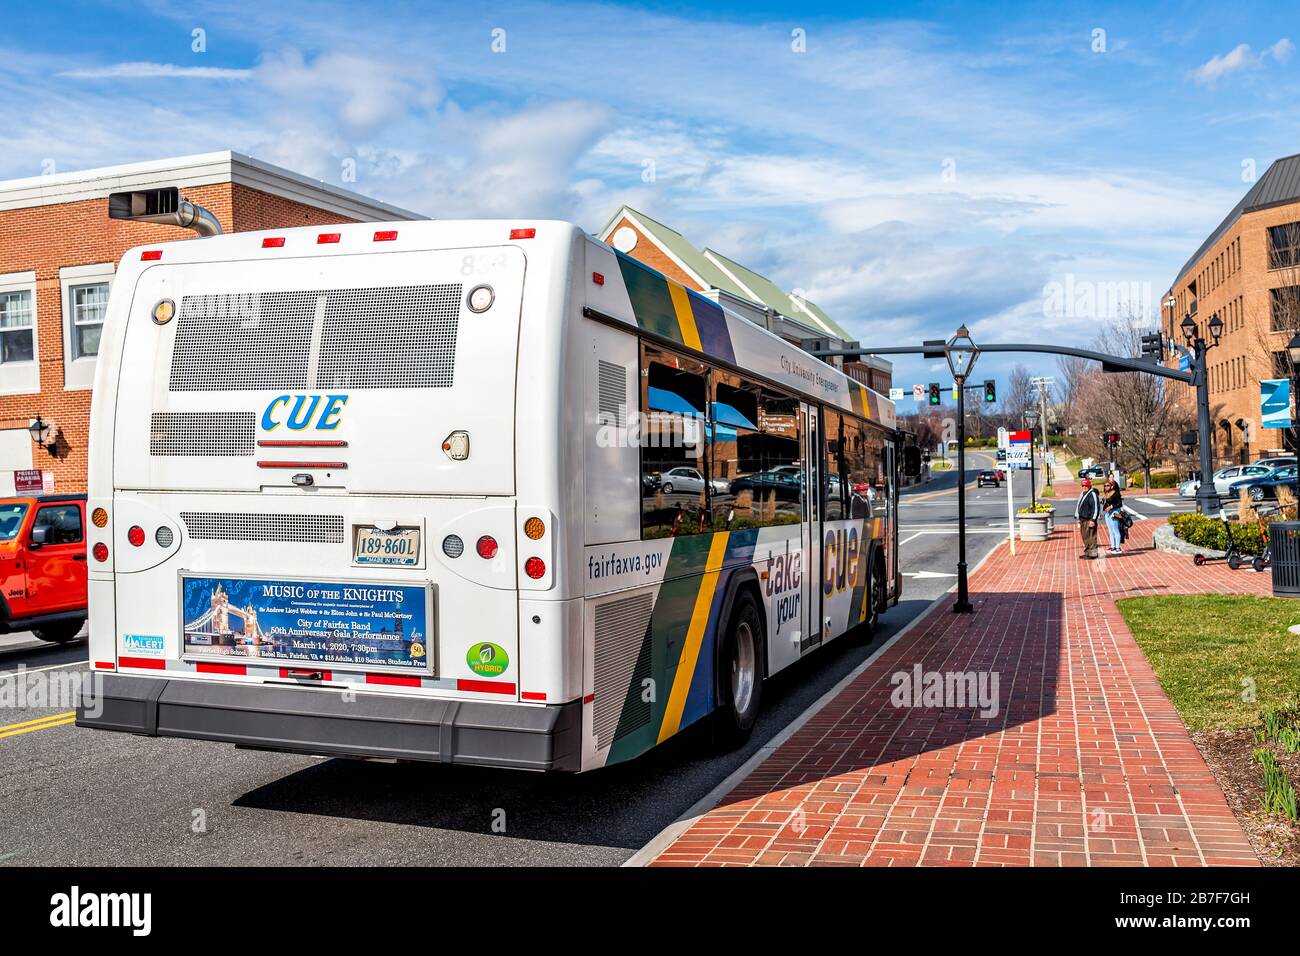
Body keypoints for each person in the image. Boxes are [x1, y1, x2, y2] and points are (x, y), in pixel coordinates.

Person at [1074, 477, 1101, 559]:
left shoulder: (1092, 494)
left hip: (1089, 519)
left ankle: (1093, 554)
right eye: (1083, 486)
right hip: (1082, 519)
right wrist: (1078, 517)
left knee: (1091, 537)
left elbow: (1096, 508)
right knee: (1085, 537)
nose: (1084, 487)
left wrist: (1093, 519)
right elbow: (1079, 506)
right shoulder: (1082, 494)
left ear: (1089, 486)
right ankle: (1087, 552)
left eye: (1086, 486)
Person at [1102, 477, 1124, 554]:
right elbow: (1104, 504)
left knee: (1116, 530)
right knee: (1110, 531)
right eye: (1105, 485)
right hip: (1108, 514)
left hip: (1115, 513)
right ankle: (1113, 546)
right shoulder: (1106, 494)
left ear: (1112, 486)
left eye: (1108, 485)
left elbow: (1119, 504)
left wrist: (1111, 507)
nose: (1106, 487)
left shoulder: (1116, 493)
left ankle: (1118, 548)